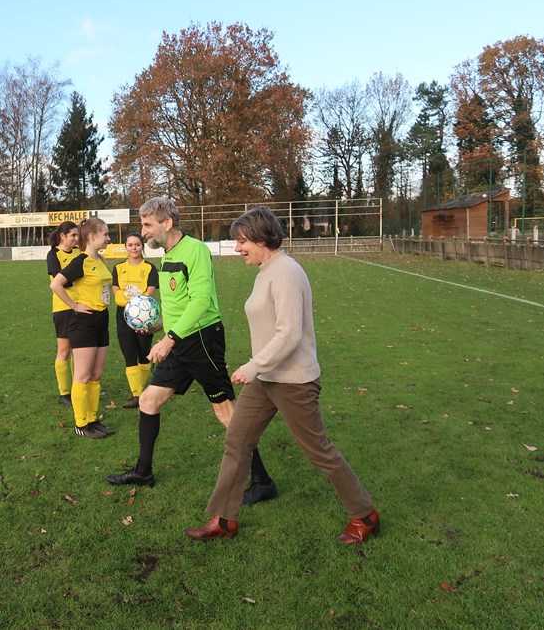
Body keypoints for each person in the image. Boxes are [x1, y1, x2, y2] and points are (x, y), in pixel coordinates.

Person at [184, 206, 379, 544]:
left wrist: (252, 366)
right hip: (267, 379)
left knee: (319, 450)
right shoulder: (267, 270)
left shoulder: (286, 271)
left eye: (242, 241)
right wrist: (260, 369)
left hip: (293, 381)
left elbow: (289, 333)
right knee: (237, 441)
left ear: (262, 239)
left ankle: (365, 515)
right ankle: (225, 519)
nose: (237, 248)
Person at [106, 197, 276, 503]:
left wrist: (168, 339)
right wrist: (160, 328)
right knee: (148, 400)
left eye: (147, 225)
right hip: (177, 338)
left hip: (201, 341)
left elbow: (199, 301)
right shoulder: (168, 255)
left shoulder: (195, 250)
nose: (143, 232)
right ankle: (144, 471)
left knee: (226, 413)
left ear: (167, 223)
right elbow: (178, 302)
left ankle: (262, 480)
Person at [50, 217, 113, 439]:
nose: (108, 237)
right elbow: (55, 284)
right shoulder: (81, 261)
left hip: (101, 320)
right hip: (84, 323)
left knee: (96, 375)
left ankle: (93, 419)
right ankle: (81, 423)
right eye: (105, 234)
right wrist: (74, 305)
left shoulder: (101, 260)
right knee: (83, 375)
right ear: (92, 236)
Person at [111, 232, 159, 409]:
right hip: (124, 317)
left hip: (145, 317)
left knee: (144, 355)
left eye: (137, 245)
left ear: (142, 246)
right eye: (130, 245)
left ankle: (140, 391)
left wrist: (128, 298)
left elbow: (149, 293)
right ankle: (136, 394)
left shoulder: (150, 268)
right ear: (125, 247)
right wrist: (133, 299)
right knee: (129, 355)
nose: (134, 248)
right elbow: (116, 296)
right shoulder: (117, 268)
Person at [46, 221, 80, 406]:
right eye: (73, 235)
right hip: (63, 309)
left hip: (81, 306)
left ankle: (77, 387)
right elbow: (62, 282)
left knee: (78, 351)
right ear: (63, 236)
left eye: (77, 235)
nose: (76, 239)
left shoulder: (78, 253)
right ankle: (64, 393)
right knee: (64, 350)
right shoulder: (53, 255)